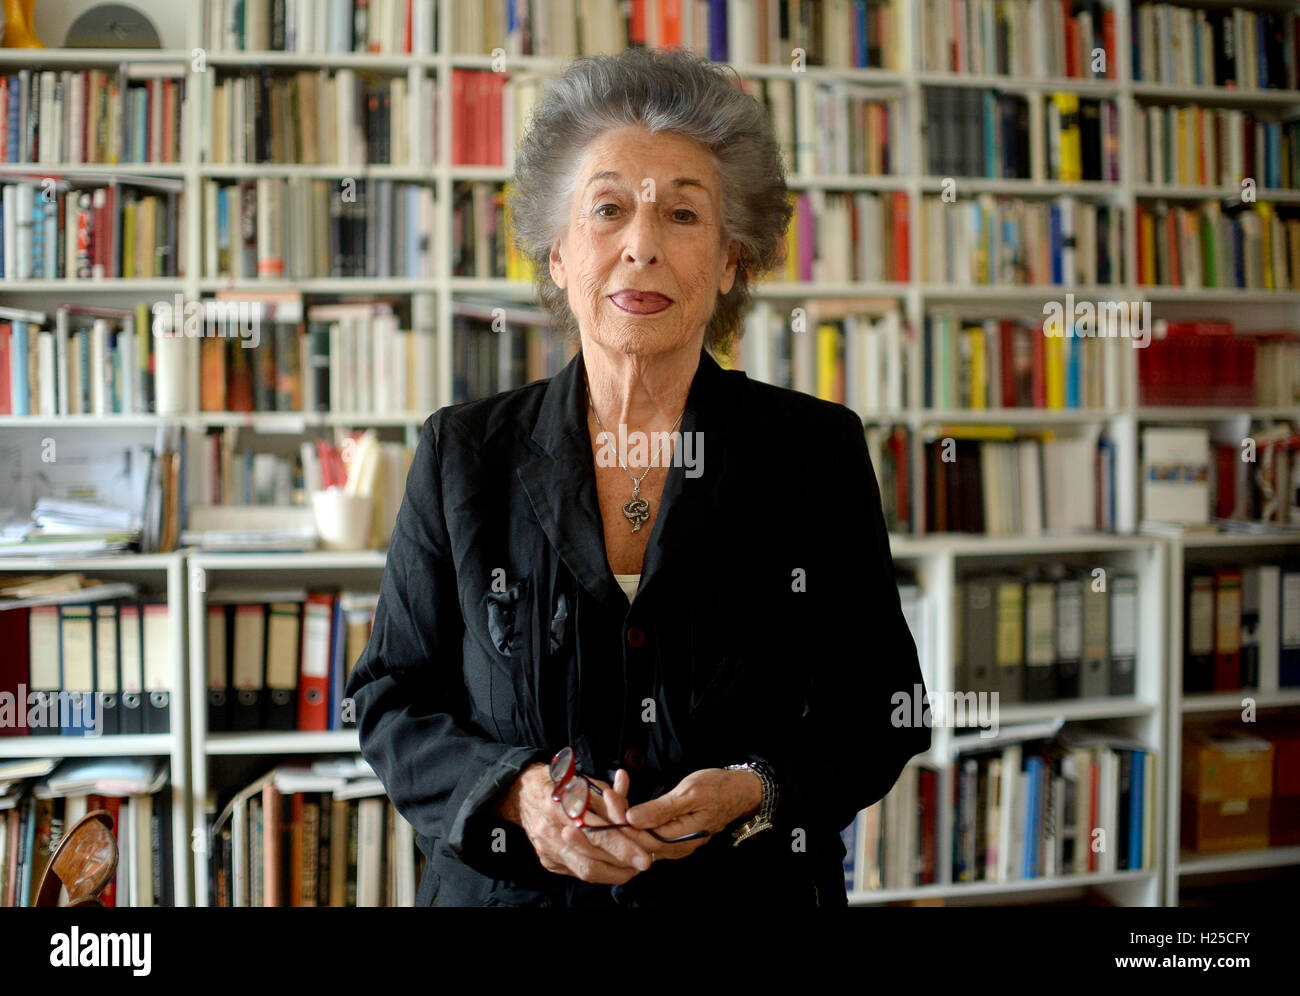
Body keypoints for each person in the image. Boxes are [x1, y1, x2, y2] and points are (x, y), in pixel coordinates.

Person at [344, 47, 931, 907]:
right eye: (608, 209)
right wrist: (520, 794)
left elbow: (885, 707)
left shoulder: (814, 451)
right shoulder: (462, 453)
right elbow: (390, 698)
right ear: (556, 253)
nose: (642, 247)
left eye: (684, 217)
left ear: (731, 261)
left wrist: (756, 790)